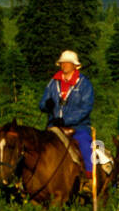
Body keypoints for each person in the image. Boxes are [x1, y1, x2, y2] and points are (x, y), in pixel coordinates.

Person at [39, 50, 97, 194]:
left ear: (74, 65)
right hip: (54, 125)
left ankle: (88, 181)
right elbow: (42, 103)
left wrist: (66, 120)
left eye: (67, 63)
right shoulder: (53, 82)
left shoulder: (84, 84)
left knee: (85, 145)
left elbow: (86, 108)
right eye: (62, 63)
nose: (64, 65)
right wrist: (47, 105)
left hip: (78, 126)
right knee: (36, 146)